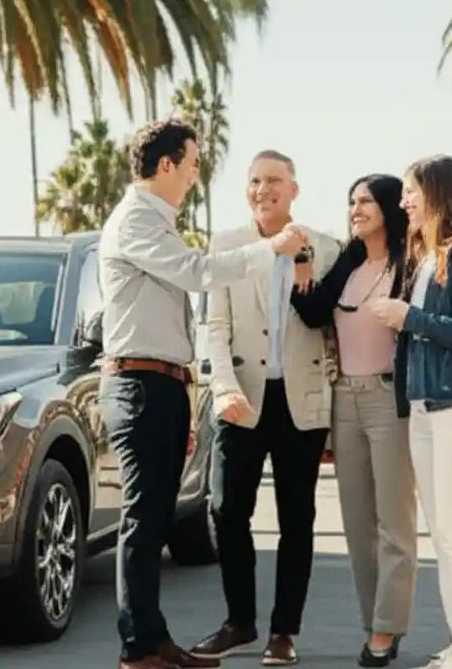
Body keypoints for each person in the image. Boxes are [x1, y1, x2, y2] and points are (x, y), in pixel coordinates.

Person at [98, 121, 311, 669]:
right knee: (144, 521)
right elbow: (197, 274)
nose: (196, 175)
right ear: (166, 164)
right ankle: (140, 647)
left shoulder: (157, 223)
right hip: (141, 383)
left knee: (153, 519)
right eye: (192, 163)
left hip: (163, 383)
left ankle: (152, 639)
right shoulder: (137, 222)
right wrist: (270, 250)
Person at [189, 150, 340, 667]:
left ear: (294, 189)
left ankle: (283, 633)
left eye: (274, 180)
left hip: (303, 403)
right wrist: (225, 388)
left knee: (298, 519)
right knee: (228, 511)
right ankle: (239, 623)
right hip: (243, 399)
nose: (263, 189)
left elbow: (330, 326)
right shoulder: (227, 247)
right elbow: (215, 327)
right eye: (255, 181)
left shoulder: (326, 246)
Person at [366, 155, 452, 669]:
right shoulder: (427, 258)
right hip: (426, 409)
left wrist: (408, 317)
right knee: (444, 532)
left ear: (437, 193)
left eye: (410, 191)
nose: (403, 202)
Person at [287, 174, 417, 668]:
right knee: (357, 524)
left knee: (395, 523)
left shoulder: (410, 266)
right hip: (345, 401)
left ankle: (387, 630)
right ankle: (375, 625)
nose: (355, 208)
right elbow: (314, 312)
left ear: (388, 207)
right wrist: (300, 269)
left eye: (365, 200)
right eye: (351, 201)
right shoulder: (349, 263)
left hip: (389, 399)